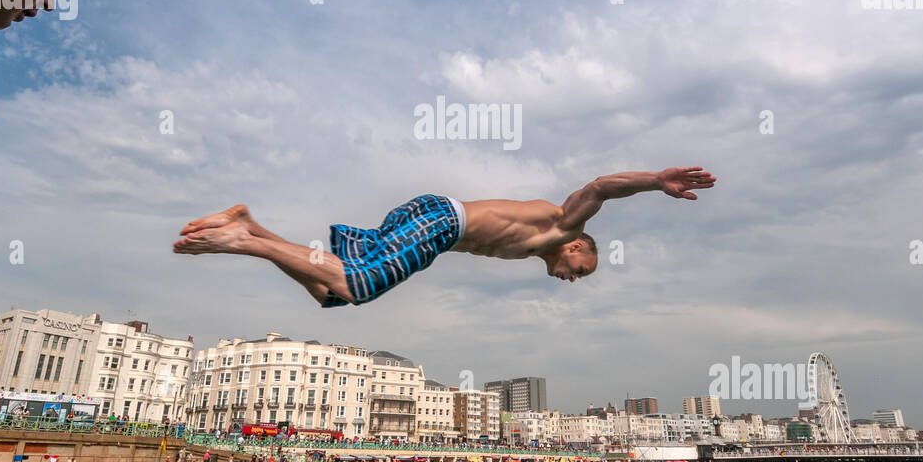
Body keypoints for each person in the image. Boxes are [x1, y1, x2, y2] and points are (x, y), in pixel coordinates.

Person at [174, 167, 717, 306]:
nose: (571, 279)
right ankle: (244, 239)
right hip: (440, 221)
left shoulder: (542, 244)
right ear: (578, 249)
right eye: (580, 271)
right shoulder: (565, 224)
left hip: (429, 222)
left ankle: (253, 226)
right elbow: (599, 186)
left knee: (330, 292)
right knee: (362, 286)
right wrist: (655, 182)